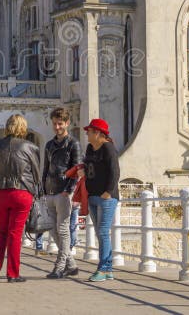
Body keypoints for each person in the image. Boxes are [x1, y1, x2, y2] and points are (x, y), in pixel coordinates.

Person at [0, 114, 41, 283]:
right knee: (15, 234)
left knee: (1, 231)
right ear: (23, 127)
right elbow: (36, 173)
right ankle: (12, 273)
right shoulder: (30, 147)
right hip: (21, 192)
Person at [41, 107, 82, 278]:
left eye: (60, 124)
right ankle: (71, 265)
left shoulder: (73, 144)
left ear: (67, 123)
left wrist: (69, 190)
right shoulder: (49, 145)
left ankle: (60, 266)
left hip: (64, 191)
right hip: (50, 191)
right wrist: (43, 190)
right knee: (52, 229)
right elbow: (46, 168)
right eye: (54, 124)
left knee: (63, 229)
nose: (57, 127)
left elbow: (77, 168)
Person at [79, 118, 120, 282]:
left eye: (89, 131)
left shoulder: (108, 148)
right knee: (100, 233)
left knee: (103, 232)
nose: (87, 134)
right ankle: (108, 269)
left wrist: (108, 192)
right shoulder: (90, 148)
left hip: (106, 198)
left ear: (97, 133)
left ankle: (102, 269)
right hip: (92, 196)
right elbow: (89, 167)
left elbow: (115, 171)